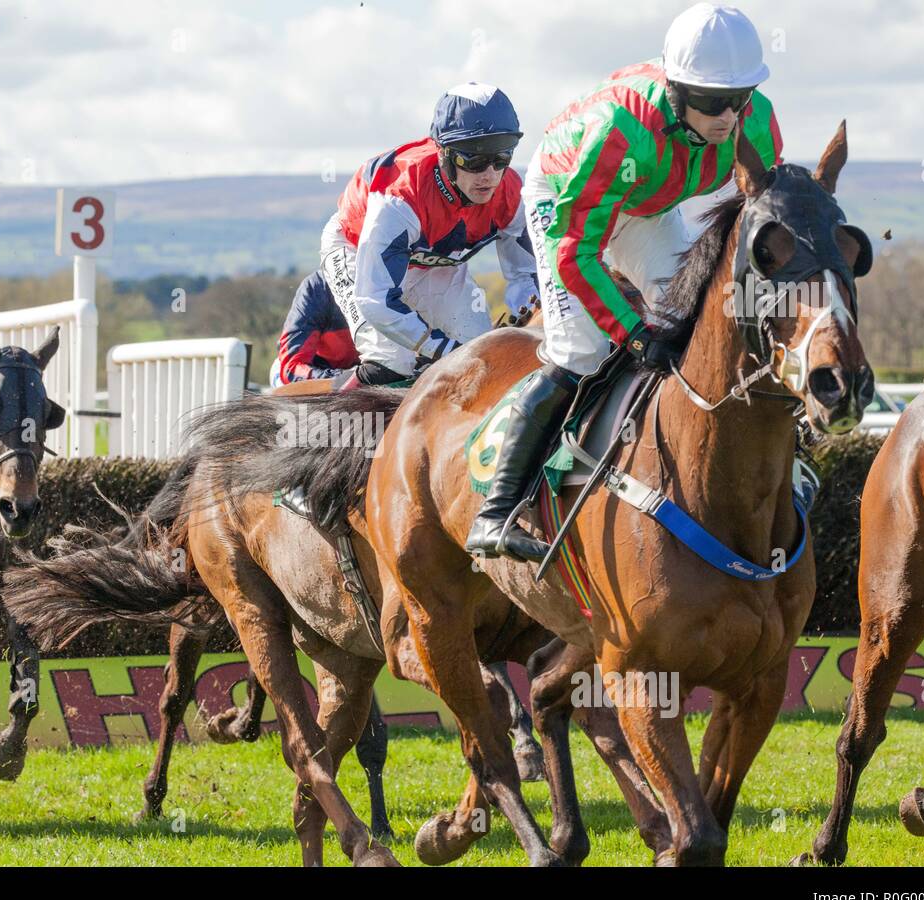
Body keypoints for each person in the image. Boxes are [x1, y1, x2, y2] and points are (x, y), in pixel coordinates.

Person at [465, 3, 784, 561]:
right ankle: (496, 511)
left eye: (738, 98)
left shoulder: (758, 120)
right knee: (582, 347)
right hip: (568, 200)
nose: (729, 117)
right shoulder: (617, 130)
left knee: (690, 323)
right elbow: (575, 252)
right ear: (677, 87)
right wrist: (632, 333)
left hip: (648, 203)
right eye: (712, 101)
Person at [321, 81, 538, 389]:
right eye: (474, 160)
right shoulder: (400, 198)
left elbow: (528, 278)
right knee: (394, 360)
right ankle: (327, 426)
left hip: (435, 264)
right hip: (355, 249)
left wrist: (527, 327)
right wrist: (438, 349)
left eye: (501, 158)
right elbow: (376, 298)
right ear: (444, 154)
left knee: (480, 355)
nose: (489, 174)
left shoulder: (511, 193)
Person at [269, 269, 357, 386]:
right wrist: (343, 377)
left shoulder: (387, 280)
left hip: (365, 375)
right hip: (315, 372)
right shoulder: (317, 287)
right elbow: (291, 369)